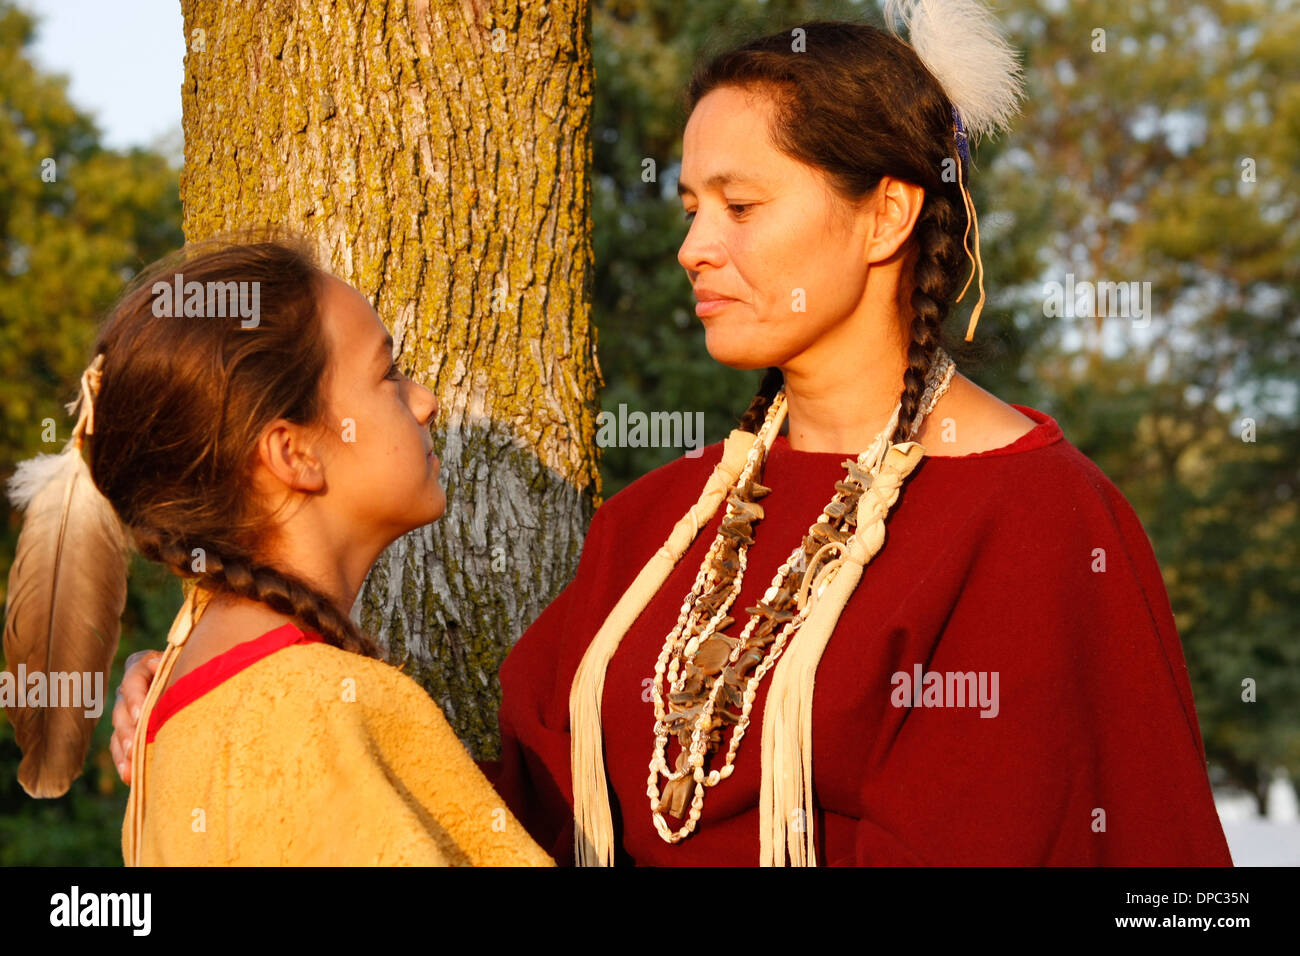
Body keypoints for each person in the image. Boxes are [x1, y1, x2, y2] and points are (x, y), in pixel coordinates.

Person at [116, 6, 1234, 866]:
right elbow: (496, 821)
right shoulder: (651, 531)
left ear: (888, 214)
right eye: (689, 204)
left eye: (740, 206)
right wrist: (238, 704)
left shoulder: (1038, 521)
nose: (695, 245)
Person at [11, 235, 553, 866]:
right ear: (294, 453)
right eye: (388, 374)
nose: (426, 401)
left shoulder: (174, 709)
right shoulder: (321, 710)